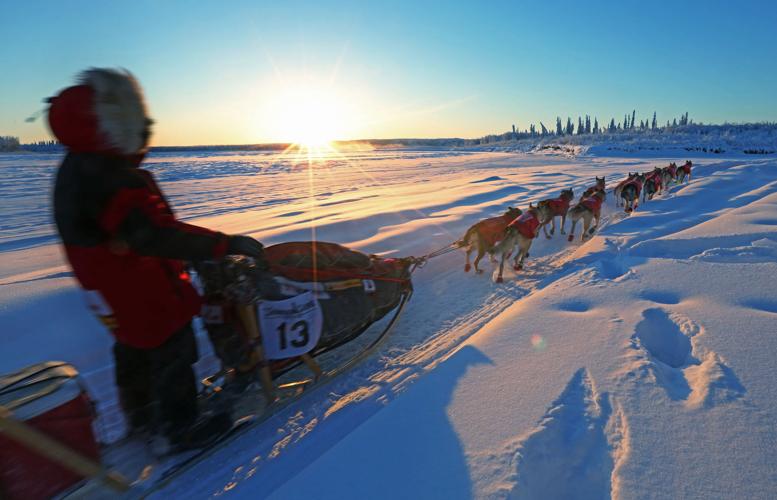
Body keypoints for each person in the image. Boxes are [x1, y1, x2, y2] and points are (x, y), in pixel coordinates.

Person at [49, 68, 265, 450]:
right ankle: (179, 429)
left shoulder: (76, 168)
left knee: (131, 343)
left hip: (105, 287)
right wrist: (224, 243)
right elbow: (156, 234)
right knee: (172, 345)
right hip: (141, 285)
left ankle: (143, 418)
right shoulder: (115, 177)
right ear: (118, 123)